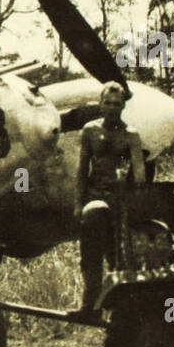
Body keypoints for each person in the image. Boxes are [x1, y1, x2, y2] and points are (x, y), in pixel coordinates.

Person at [73, 82, 146, 317]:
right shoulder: (90, 131)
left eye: (117, 103)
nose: (112, 107)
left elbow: (140, 173)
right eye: (108, 103)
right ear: (100, 104)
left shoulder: (131, 135)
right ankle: (89, 306)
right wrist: (78, 202)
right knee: (90, 255)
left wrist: (135, 199)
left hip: (119, 201)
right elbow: (82, 168)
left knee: (118, 255)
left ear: (123, 106)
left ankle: (121, 309)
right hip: (94, 200)